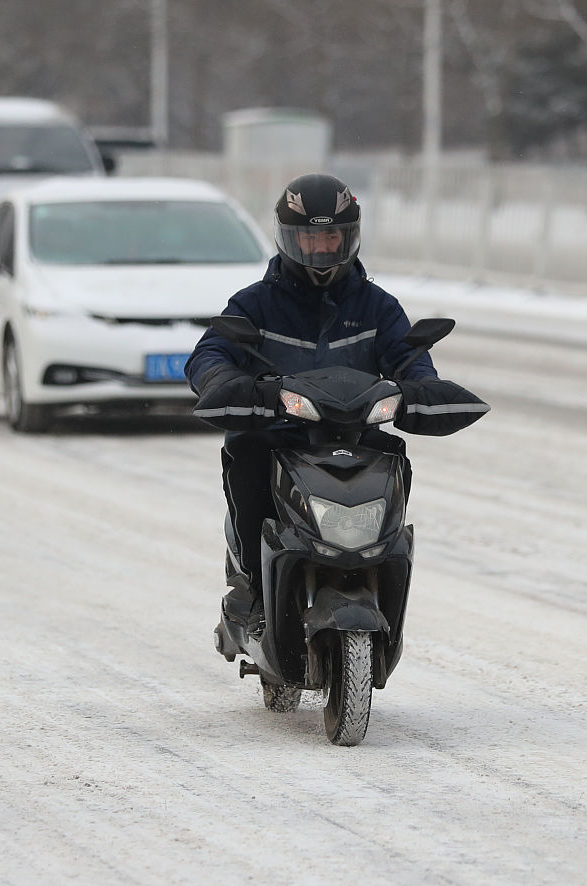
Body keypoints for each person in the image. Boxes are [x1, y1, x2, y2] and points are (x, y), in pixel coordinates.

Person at [185, 172, 487, 630]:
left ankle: (381, 568)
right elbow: (209, 354)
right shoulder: (254, 304)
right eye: (310, 237)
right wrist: (227, 380)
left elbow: (408, 357)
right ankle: (250, 581)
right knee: (246, 451)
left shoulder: (376, 306)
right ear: (287, 238)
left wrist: (418, 387)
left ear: (351, 237)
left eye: (331, 236)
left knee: (395, 456)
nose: (321, 249)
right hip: (280, 433)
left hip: (356, 434)